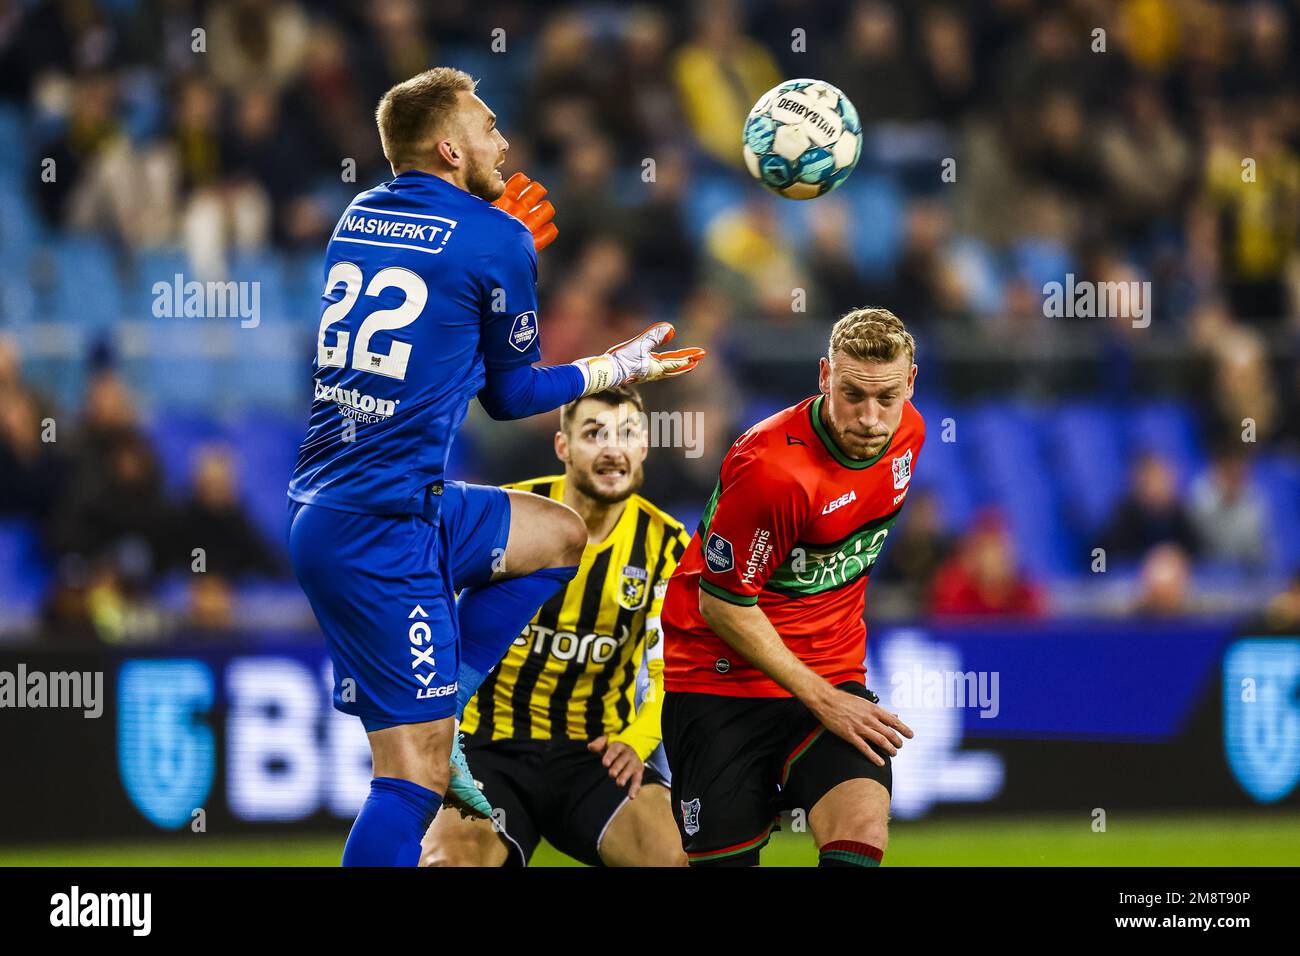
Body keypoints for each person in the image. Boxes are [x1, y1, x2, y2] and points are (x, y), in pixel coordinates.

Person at [286, 67, 703, 866]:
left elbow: (441, 324)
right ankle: (440, 727)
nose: (503, 141)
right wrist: (614, 368)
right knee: (412, 778)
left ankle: (454, 690)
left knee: (557, 533)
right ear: (450, 146)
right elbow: (511, 397)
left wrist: (485, 244)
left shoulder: (360, 213)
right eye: (486, 126)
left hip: (346, 508)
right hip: (382, 531)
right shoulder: (496, 239)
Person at [661, 307, 922, 867]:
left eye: (887, 398)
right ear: (825, 376)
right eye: (853, 395)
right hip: (719, 683)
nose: (871, 418)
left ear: (910, 383)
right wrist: (823, 698)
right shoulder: (774, 472)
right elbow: (722, 603)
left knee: (861, 825)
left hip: (831, 674)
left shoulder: (910, 435)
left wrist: (834, 692)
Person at [422, 386, 688, 866]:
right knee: (447, 864)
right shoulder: (509, 514)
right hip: (487, 750)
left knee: (675, 858)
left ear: (644, 446)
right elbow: (432, 601)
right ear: (563, 446)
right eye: (594, 434)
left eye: (627, 434)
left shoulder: (667, 544)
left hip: (596, 755)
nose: (613, 448)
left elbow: (668, 666)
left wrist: (640, 738)